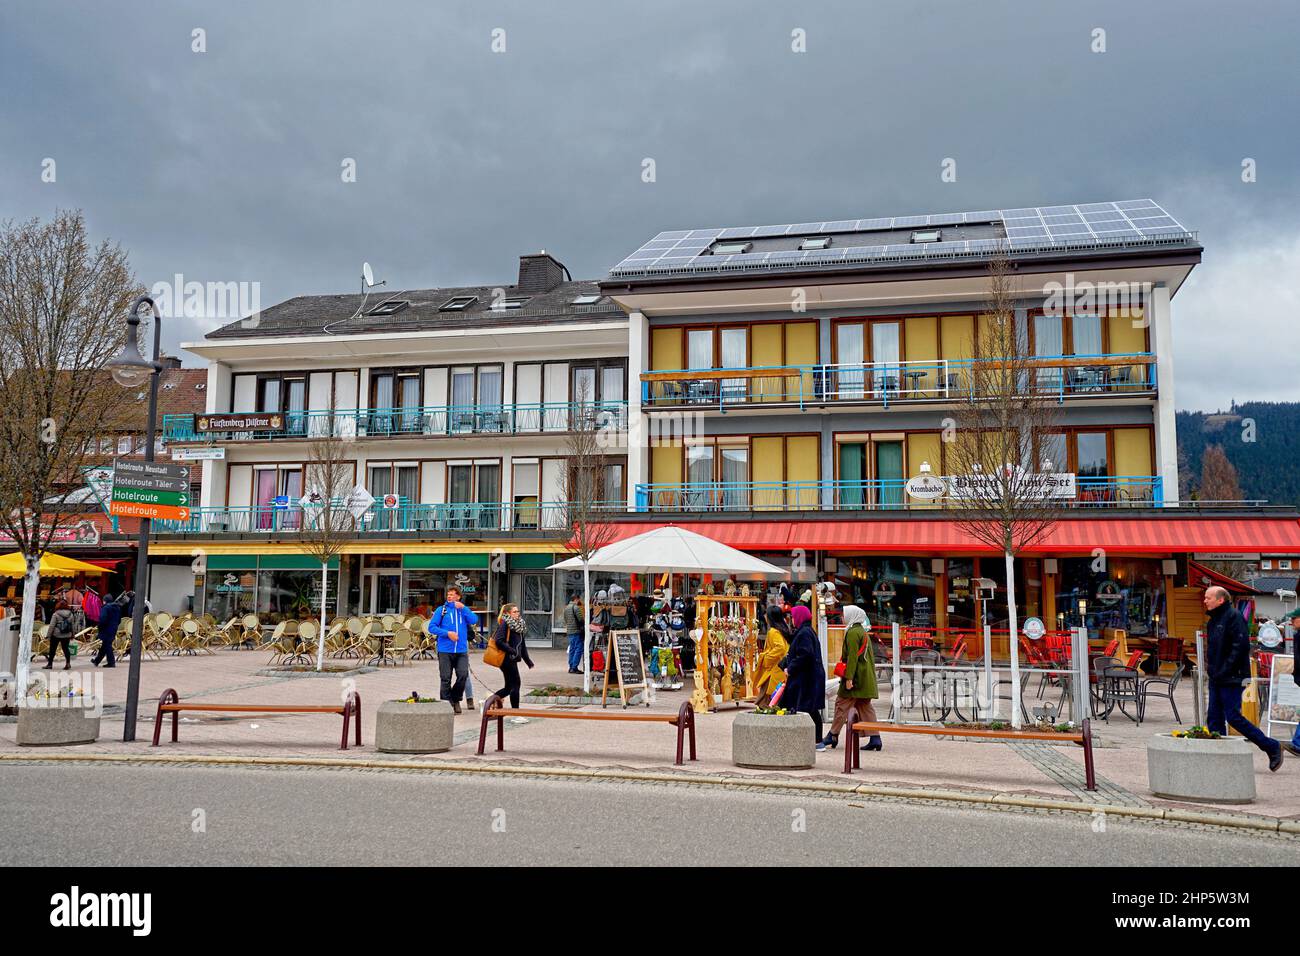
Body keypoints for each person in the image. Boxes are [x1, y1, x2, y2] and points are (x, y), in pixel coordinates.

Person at [1203, 586, 1282, 771]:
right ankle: (1222, 759)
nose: (1205, 600)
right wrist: (1212, 669)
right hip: (1216, 677)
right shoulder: (1213, 620)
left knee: (1233, 717)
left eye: (1208, 597)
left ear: (1220, 600)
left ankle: (1271, 746)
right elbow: (1214, 649)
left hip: (1232, 676)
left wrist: (1225, 669)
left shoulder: (1234, 616)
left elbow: (1240, 647)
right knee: (1213, 719)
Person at [822, 605, 882, 752]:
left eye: (845, 614)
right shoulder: (862, 631)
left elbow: (853, 658)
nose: (843, 617)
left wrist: (849, 678)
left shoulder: (853, 633)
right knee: (865, 706)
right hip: (864, 678)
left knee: (841, 703)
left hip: (856, 679)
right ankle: (875, 738)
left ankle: (833, 734)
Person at [779, 604, 826, 746]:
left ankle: (815, 740)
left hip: (806, 678)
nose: (791, 620)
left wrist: (790, 668)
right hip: (809, 677)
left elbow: (805, 654)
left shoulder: (804, 633)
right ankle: (816, 740)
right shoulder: (806, 631)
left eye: (793, 617)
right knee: (809, 708)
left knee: (806, 708)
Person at [427, 586, 479, 714]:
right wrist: (447, 633)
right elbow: (431, 627)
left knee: (463, 675)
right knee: (445, 678)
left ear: (458, 597)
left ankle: (455, 699)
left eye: (452, 594)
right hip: (445, 650)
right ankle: (446, 704)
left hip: (461, 650)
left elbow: (474, 620)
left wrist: (464, 608)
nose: (449, 596)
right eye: (448, 594)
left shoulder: (462, 610)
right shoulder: (442, 610)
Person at [490, 603, 534, 712]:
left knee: (509, 688)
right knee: (515, 685)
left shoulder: (519, 625)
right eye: (514, 612)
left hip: (512, 659)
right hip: (506, 660)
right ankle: (516, 712)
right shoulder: (505, 624)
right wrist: (512, 651)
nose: (517, 613)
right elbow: (498, 641)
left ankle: (490, 701)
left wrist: (528, 661)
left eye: (518, 611)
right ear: (507, 613)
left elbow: (522, 645)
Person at [754, 605, 790, 706]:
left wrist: (767, 659)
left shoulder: (773, 632)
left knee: (766, 701)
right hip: (778, 670)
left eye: (766, 614)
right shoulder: (783, 630)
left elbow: (780, 648)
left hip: (773, 671)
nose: (765, 616)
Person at [91, 592, 127, 668]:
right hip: (113, 629)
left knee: (107, 645)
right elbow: (119, 620)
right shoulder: (117, 608)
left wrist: (99, 627)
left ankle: (111, 662)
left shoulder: (105, 608)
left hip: (106, 629)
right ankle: (97, 661)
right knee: (105, 645)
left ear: (105, 601)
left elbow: (102, 619)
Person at [44, 600, 76, 670]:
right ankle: (68, 663)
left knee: (52, 649)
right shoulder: (71, 614)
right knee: (66, 649)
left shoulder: (56, 614)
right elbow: (72, 625)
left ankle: (50, 664)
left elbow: (52, 626)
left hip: (56, 634)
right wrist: (73, 634)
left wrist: (48, 635)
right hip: (67, 634)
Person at [563, 595, 585, 674]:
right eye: (579, 599)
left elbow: (565, 619)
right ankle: (574, 667)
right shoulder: (575, 608)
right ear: (576, 599)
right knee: (578, 649)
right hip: (576, 631)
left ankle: (571, 666)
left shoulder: (566, 608)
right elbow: (580, 619)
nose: (579, 601)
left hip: (570, 632)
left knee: (572, 649)